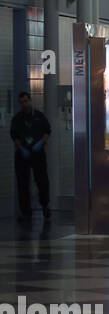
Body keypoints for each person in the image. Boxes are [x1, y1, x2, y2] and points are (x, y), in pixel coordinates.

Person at [11, 92, 52, 222]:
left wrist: (41, 143)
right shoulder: (17, 118)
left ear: (30, 100)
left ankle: (45, 205)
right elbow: (14, 136)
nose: (24, 104)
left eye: (26, 101)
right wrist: (21, 148)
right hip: (23, 154)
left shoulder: (39, 117)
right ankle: (25, 211)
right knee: (23, 183)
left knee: (41, 180)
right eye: (21, 102)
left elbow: (47, 131)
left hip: (37, 153)